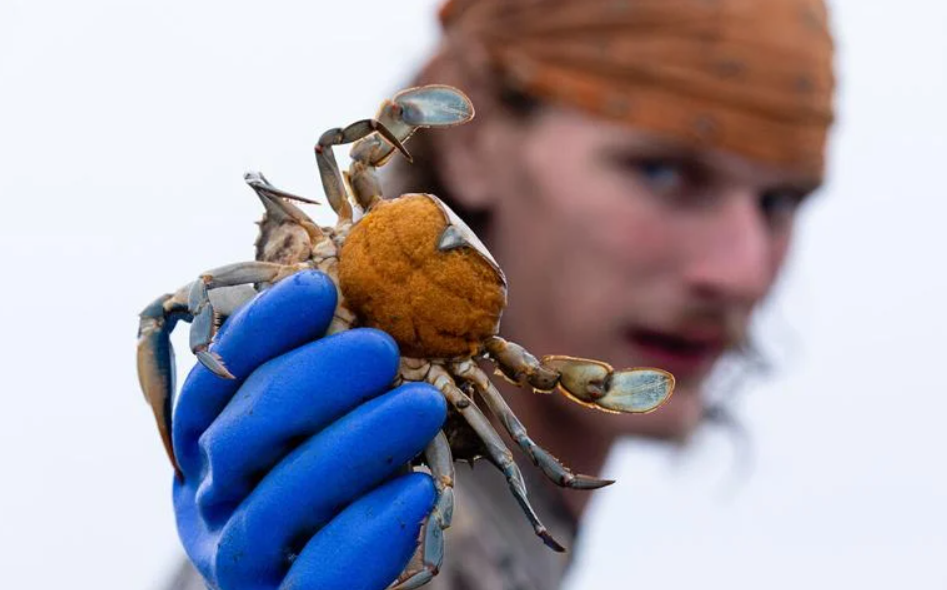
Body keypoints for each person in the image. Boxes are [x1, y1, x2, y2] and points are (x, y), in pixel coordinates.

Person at [163, 0, 835, 588]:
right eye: (662, 172)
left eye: (780, 201)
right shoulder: (381, 534)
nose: (741, 271)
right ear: (471, 141)